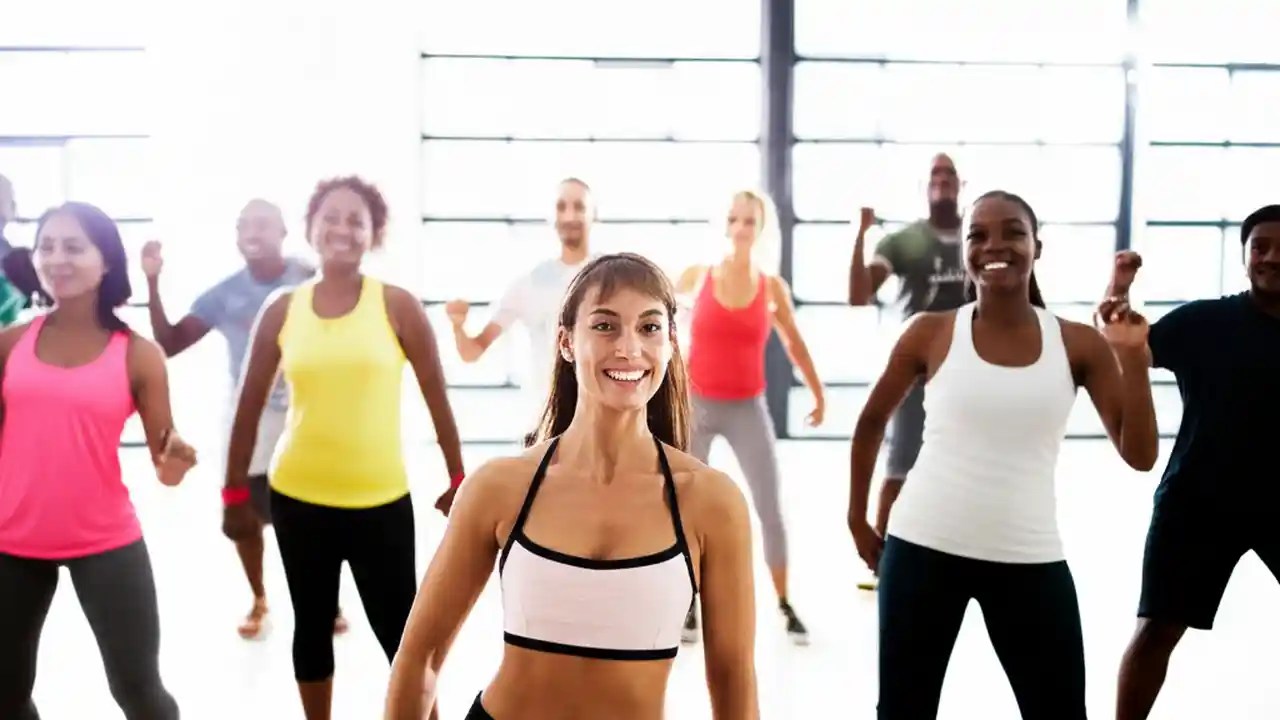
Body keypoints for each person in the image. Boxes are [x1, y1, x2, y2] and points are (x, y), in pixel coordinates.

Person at [384, 253, 759, 720]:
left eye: (649, 328)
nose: (629, 348)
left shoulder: (710, 502)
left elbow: (732, 678)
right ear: (565, 341)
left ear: (670, 344)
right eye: (605, 326)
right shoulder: (500, 488)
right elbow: (419, 660)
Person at [847, 190, 1158, 719]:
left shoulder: (1079, 343)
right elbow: (871, 420)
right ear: (965, 250)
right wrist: (857, 516)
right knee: (903, 709)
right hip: (922, 546)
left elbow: (1139, 454)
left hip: (1028, 555)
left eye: (1013, 232)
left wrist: (1133, 359)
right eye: (978, 235)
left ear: (1037, 245)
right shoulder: (930, 331)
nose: (995, 246)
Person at [221, 176, 466, 720]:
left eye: (356, 219)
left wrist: (457, 480)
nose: (342, 228)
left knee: (404, 637)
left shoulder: (397, 305)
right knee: (311, 627)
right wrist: (233, 492)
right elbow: (248, 406)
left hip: (380, 500)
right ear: (310, 228)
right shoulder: (282, 309)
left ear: (373, 233)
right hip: (298, 497)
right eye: (330, 216)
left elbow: (436, 397)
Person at [0, 201, 197, 720]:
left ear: (105, 260)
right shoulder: (10, 345)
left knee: (140, 694)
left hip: (105, 540)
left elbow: (165, 462)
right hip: (10, 541)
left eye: (73, 246)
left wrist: (176, 460)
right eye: (47, 246)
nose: (57, 258)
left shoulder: (138, 354)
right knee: (5, 695)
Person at [1105, 204, 1280, 720]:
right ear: (1244, 258)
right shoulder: (1206, 321)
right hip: (1198, 501)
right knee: (1157, 627)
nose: (1272, 257)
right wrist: (1117, 290)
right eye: (1261, 247)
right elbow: (1127, 341)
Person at [140, 198, 334, 639]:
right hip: (251, 416)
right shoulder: (224, 293)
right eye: (243, 224)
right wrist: (152, 282)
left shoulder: (309, 278)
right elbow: (168, 343)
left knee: (316, 508)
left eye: (263, 223)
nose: (253, 231)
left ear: (284, 232)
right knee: (245, 511)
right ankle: (259, 599)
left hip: (310, 410)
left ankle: (326, 598)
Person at [674, 189, 823, 646]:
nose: (740, 228)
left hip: (747, 407)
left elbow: (795, 343)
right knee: (683, 505)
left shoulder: (771, 287)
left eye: (749, 222)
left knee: (769, 507)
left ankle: (783, 601)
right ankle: (686, 602)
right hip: (697, 405)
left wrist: (818, 394)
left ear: (760, 230)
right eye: (734, 219)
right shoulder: (697, 277)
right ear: (724, 224)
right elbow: (657, 322)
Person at [847, 153, 968, 590]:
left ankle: (962, 559)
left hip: (971, 368)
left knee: (966, 463)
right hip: (918, 369)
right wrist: (860, 235)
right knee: (901, 463)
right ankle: (882, 564)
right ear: (925, 187)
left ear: (961, 184)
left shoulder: (976, 237)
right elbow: (860, 294)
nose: (942, 181)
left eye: (949, 174)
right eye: (935, 175)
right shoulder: (905, 241)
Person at [444, 177, 597, 440]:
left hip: (601, 425)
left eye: (579, 207)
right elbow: (472, 351)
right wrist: (457, 326)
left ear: (594, 214)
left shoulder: (613, 280)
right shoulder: (528, 285)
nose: (570, 215)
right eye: (561, 207)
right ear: (552, 216)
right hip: (546, 425)